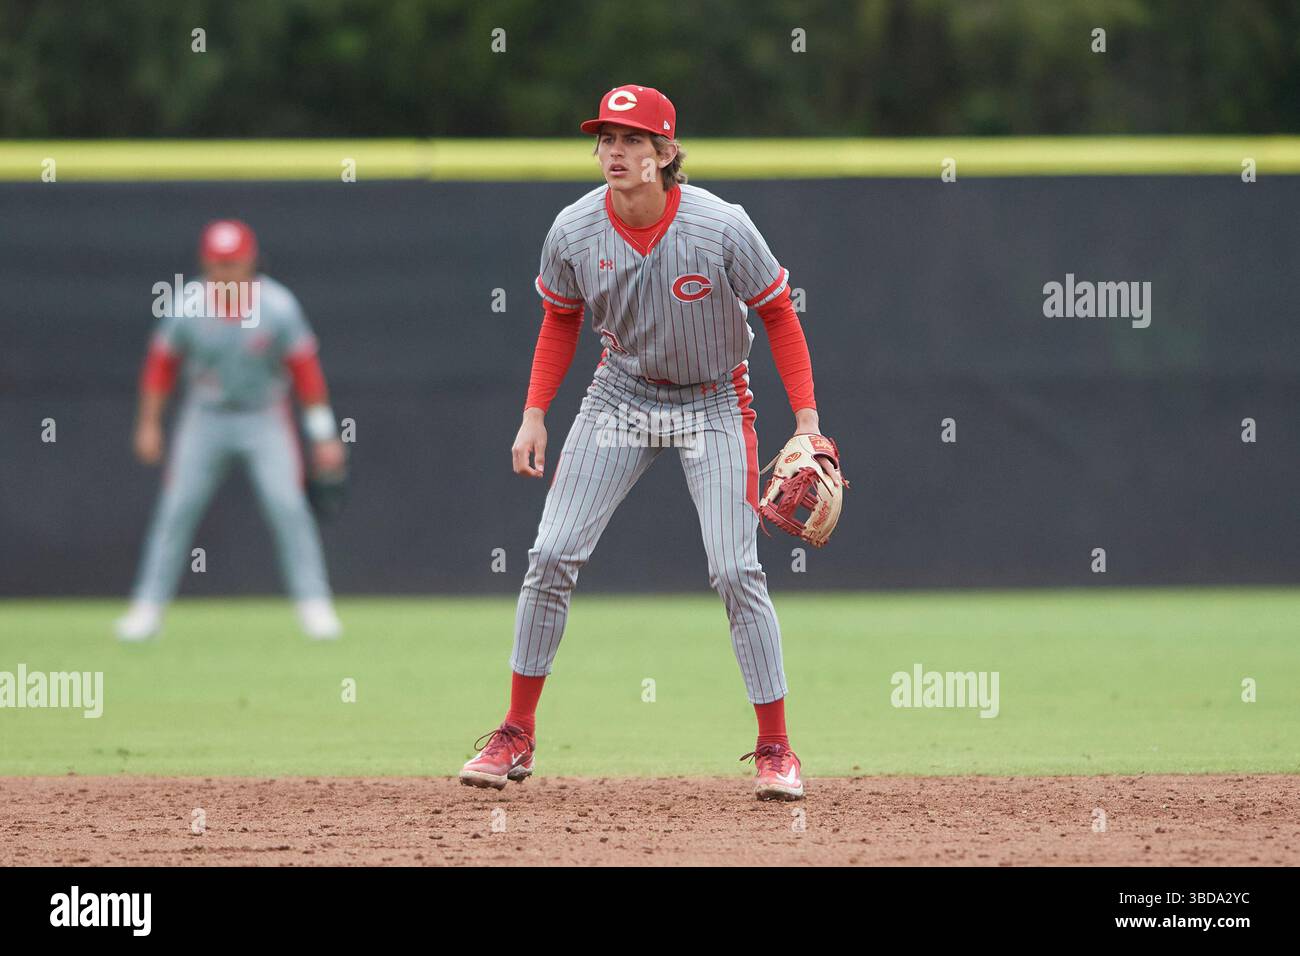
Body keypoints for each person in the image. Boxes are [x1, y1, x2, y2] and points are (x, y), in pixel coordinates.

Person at [459, 85, 835, 800]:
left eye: (632, 140)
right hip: (620, 397)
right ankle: (515, 733)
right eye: (606, 139)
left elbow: (779, 316)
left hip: (715, 400)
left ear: (665, 153)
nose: (615, 152)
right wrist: (534, 412)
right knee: (549, 555)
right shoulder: (573, 230)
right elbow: (560, 319)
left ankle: (776, 748)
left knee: (734, 570)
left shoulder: (720, 226)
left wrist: (808, 421)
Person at [115, 219, 345, 641]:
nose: (226, 272)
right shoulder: (187, 304)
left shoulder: (277, 306)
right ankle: (147, 607)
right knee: (177, 507)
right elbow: (160, 367)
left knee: (288, 506)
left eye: (234, 262)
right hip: (205, 417)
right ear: (205, 263)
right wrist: (148, 423)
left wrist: (324, 434)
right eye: (218, 264)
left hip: (263, 415)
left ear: (251, 261)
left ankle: (314, 605)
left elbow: (306, 374)